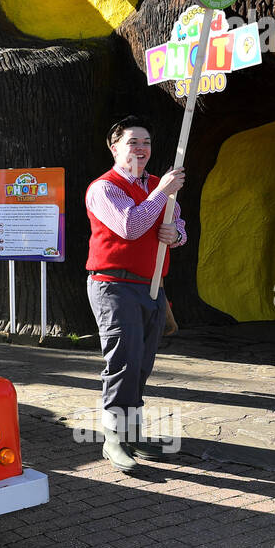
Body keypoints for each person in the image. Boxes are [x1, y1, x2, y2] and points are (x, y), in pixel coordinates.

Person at [84, 116, 187, 473]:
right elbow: (130, 227)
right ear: (115, 148)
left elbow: (179, 227)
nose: (141, 148)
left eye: (145, 142)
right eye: (132, 142)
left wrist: (175, 235)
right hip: (113, 284)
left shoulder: (160, 185)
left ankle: (132, 433)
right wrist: (162, 193)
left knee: (142, 362)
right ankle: (113, 438)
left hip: (152, 285)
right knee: (123, 360)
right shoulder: (104, 188)